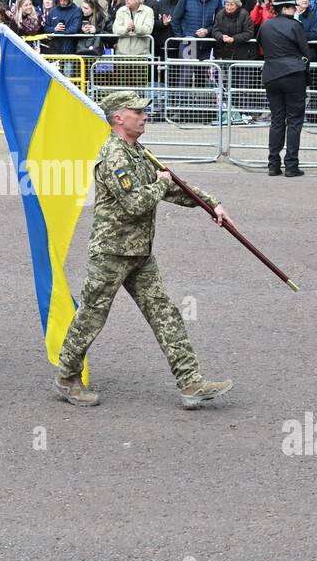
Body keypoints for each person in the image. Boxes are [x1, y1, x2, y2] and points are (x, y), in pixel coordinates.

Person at [53, 91, 234, 408]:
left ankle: (190, 382)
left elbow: (174, 187)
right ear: (118, 118)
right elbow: (136, 202)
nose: (144, 115)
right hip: (111, 253)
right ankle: (67, 377)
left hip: (138, 253)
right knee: (91, 318)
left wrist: (211, 204)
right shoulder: (115, 157)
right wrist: (162, 183)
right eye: (137, 111)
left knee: (164, 313)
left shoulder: (138, 152)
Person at [258, 0, 313, 176]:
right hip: (293, 74)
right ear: (285, 8)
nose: (294, 10)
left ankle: (273, 164)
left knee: (277, 120)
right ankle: (291, 165)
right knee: (295, 121)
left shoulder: (266, 25)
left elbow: (261, 46)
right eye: (292, 7)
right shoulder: (294, 26)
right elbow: (306, 51)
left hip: (271, 74)